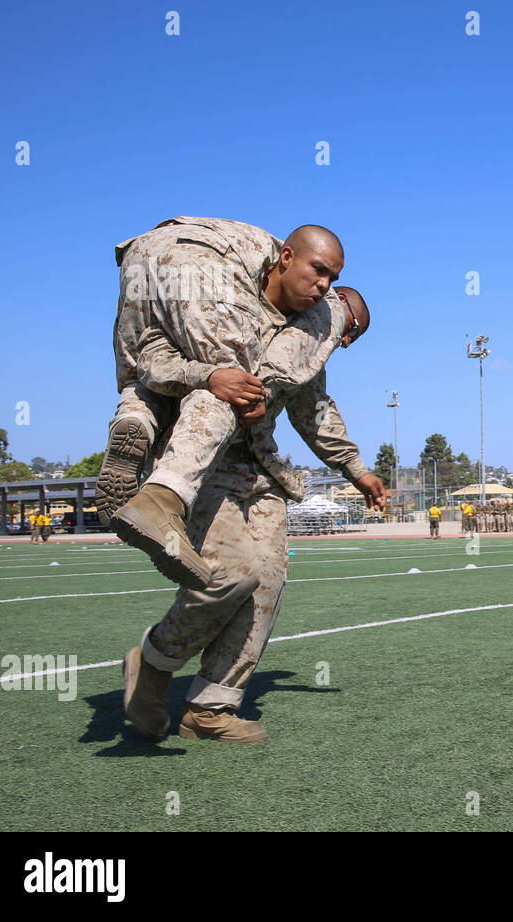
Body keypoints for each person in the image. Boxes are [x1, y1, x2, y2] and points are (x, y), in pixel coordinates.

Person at [120, 294, 384, 743]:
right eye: (349, 329)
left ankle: (211, 706)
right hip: (205, 460)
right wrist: (228, 389)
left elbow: (315, 413)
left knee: (268, 580)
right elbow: (159, 365)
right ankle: (154, 659)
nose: (343, 340)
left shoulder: (305, 350)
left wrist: (356, 470)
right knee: (231, 575)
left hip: (260, 468)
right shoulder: (234, 312)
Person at [98, 218, 348, 589]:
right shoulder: (327, 309)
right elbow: (262, 392)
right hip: (201, 261)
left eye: (333, 278)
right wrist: (255, 403)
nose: (325, 284)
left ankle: (135, 420)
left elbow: (151, 362)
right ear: (287, 257)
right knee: (232, 386)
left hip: (141, 254)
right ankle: (164, 496)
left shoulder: (264, 260)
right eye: (319, 271)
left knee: (145, 366)